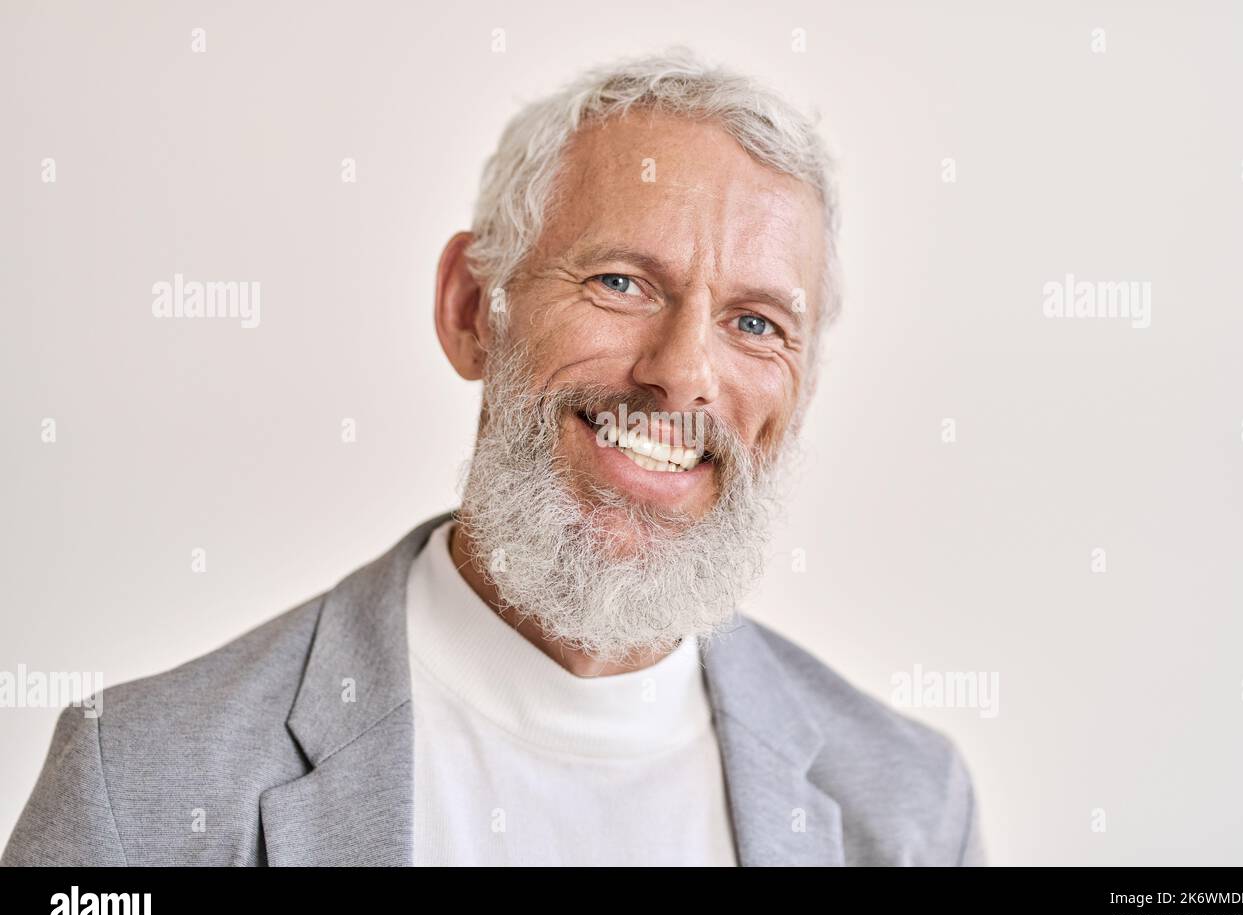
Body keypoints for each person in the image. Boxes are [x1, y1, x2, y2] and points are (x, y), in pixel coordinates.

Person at [3, 47, 985, 867]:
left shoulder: (911, 811)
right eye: (620, 280)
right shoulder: (135, 787)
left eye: (756, 322)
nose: (683, 374)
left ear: (799, 392)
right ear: (473, 309)